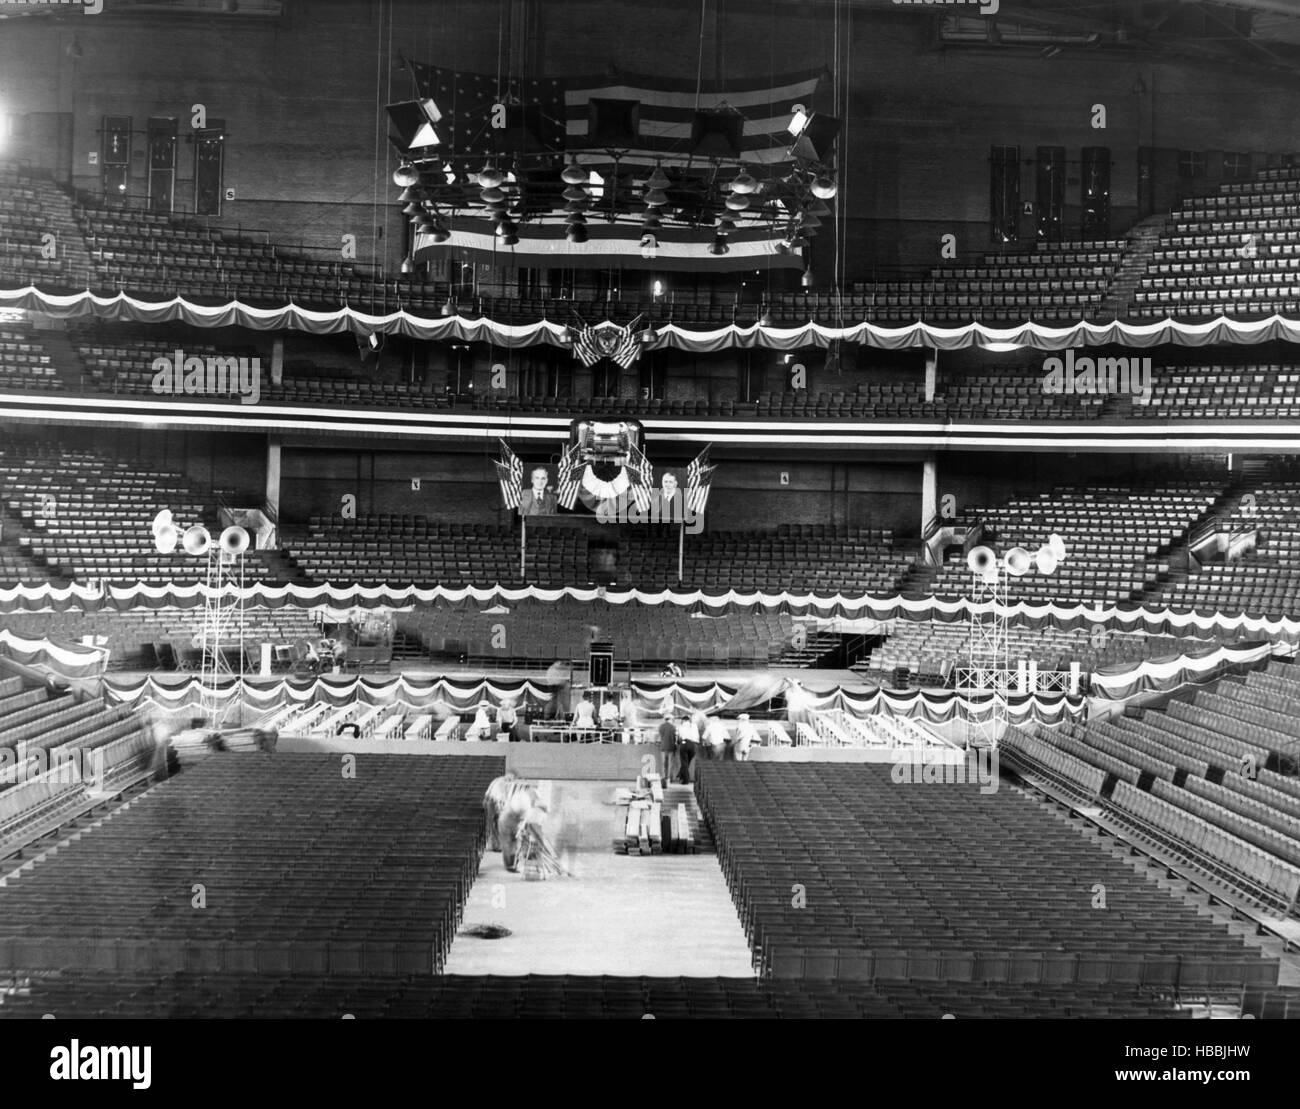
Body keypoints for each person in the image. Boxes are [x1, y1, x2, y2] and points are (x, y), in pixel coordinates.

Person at [676, 713, 699, 784]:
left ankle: (685, 780)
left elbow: (679, 738)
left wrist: (678, 742)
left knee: (684, 762)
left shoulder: (680, 726)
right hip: (693, 745)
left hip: (684, 743)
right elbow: (697, 736)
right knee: (687, 762)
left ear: (683, 720)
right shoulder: (694, 726)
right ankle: (680, 775)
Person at [657, 711, 679, 783]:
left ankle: (663, 778)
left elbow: (660, 736)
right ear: (670, 719)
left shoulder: (661, 726)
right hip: (671, 748)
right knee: (670, 764)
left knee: (663, 764)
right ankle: (669, 779)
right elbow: (674, 738)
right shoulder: (673, 727)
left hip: (663, 747)